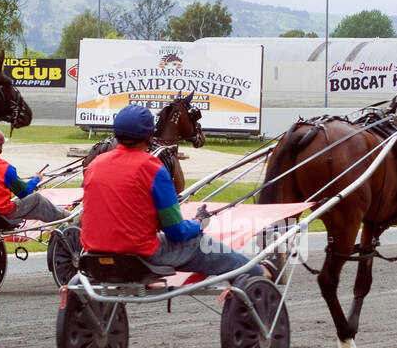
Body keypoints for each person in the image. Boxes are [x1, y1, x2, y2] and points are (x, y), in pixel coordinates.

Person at [80, 104, 272, 278]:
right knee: (205, 245)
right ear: (149, 136)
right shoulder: (152, 168)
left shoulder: (95, 165)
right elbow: (176, 231)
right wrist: (199, 224)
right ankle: (259, 272)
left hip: (92, 258)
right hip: (138, 258)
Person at [0, 128, 67, 224]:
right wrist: (36, 179)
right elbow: (23, 192)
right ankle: (67, 217)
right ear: (0, 147)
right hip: (3, 213)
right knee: (37, 198)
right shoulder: (5, 168)